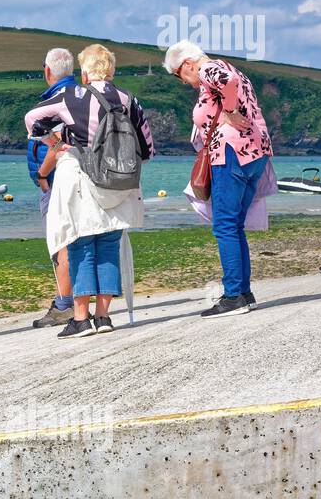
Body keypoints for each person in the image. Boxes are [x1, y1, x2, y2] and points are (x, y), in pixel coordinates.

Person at [24, 44, 155, 339]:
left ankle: (80, 318)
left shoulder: (71, 95)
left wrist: (55, 141)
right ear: (110, 70)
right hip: (119, 183)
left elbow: (32, 119)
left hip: (82, 179)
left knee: (80, 245)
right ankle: (104, 316)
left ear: (84, 72)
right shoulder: (128, 98)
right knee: (108, 246)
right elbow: (147, 147)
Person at [164, 40, 274, 317]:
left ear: (187, 64)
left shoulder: (208, 69)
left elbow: (226, 81)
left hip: (231, 153)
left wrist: (231, 111)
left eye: (180, 75)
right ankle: (244, 292)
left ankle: (234, 296)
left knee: (225, 225)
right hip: (255, 153)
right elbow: (232, 81)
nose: (184, 82)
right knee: (235, 225)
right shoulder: (231, 69)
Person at [27, 48, 78, 327]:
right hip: (68, 180)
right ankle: (71, 299)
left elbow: (58, 142)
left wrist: (43, 174)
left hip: (57, 181)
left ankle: (64, 303)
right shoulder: (77, 95)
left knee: (60, 243)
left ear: (47, 71)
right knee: (70, 241)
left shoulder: (57, 100)